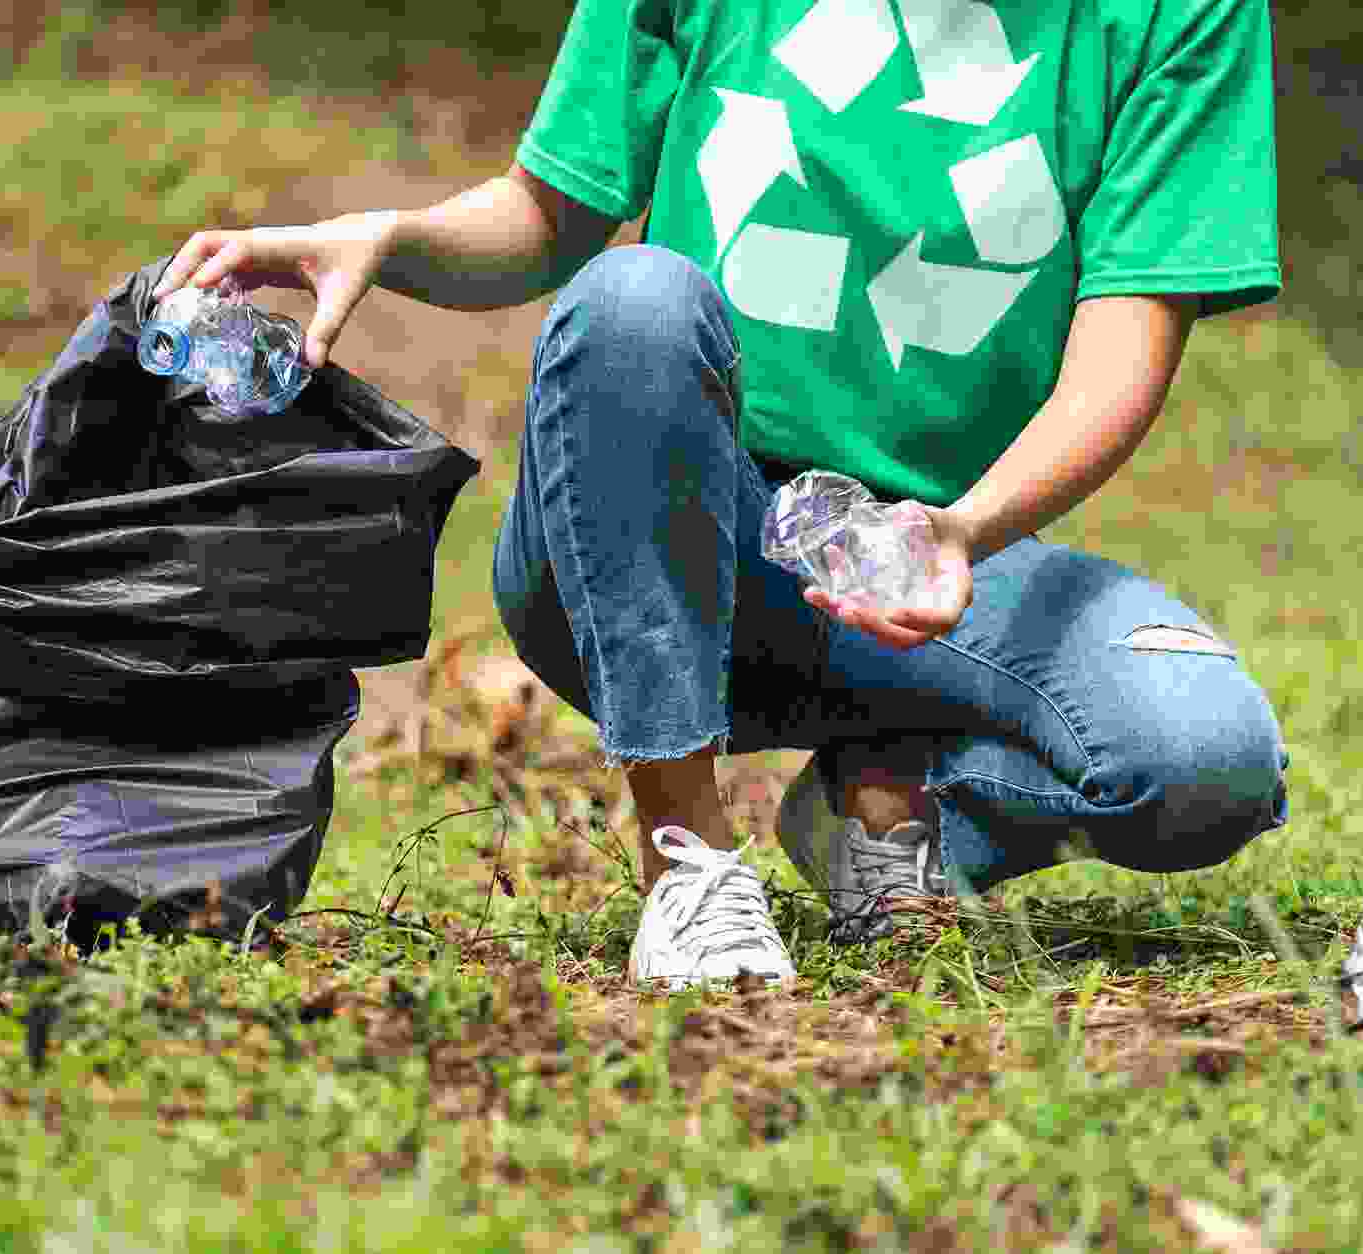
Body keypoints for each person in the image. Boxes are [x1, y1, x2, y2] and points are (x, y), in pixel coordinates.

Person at [153, 0, 1290, 989]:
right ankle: (686, 860)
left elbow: (1122, 350)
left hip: (923, 561)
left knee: (1203, 761)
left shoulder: (1179, 10)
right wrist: (387, 236)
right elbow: (546, 217)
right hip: (653, 532)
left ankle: (887, 811)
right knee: (633, 298)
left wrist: (963, 530)